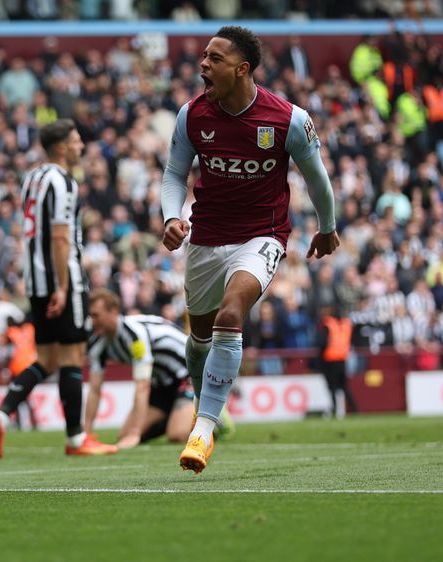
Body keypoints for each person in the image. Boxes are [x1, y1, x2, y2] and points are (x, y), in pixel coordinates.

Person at [161, 26, 340, 474]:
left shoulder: (288, 119)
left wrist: (328, 226)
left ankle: (202, 429)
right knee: (199, 337)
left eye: (214, 58)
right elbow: (173, 175)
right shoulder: (191, 116)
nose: (203, 64)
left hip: (263, 234)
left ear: (242, 69)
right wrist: (170, 216)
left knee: (229, 316)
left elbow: (316, 178)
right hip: (205, 237)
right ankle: (209, 407)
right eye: (203, 56)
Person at [0, 119, 117, 459]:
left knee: (46, 359)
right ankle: (76, 439)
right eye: (75, 141)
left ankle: (2, 413)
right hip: (62, 280)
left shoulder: (32, 178)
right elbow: (60, 236)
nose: (81, 147)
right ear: (61, 147)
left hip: (34, 281)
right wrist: (63, 285)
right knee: (72, 357)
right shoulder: (63, 181)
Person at [83, 288, 197, 448]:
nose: (92, 321)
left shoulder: (134, 335)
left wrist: (135, 433)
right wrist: (86, 435)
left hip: (189, 373)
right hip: (161, 381)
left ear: (113, 312)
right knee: (124, 435)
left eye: (96, 315)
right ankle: (177, 415)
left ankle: (214, 419)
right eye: (90, 316)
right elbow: (94, 390)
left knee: (177, 435)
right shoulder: (97, 344)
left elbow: (142, 385)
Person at [317, 305, 357, 419]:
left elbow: (323, 343)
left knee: (332, 387)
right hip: (343, 359)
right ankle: (354, 408)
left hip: (330, 360)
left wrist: (319, 358)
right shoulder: (346, 324)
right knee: (344, 386)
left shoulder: (328, 325)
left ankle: (334, 409)